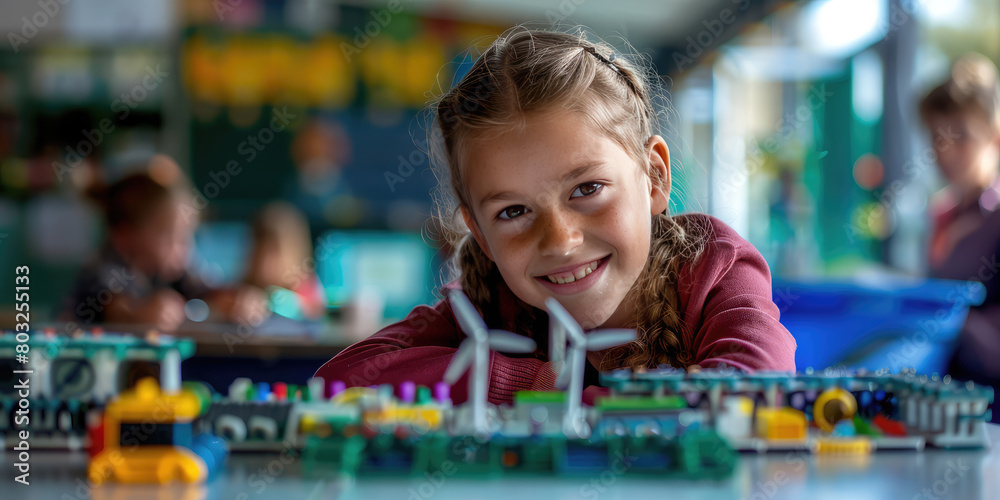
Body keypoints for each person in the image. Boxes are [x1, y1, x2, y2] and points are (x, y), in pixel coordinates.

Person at [315, 27, 796, 405]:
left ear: (654, 177)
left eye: (587, 189)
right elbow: (340, 380)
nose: (561, 240)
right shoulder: (490, 301)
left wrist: (552, 395)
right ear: (480, 234)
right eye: (514, 211)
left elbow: (752, 393)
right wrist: (543, 384)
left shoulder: (712, 265)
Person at [61, 156, 267, 332]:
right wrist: (140, 314)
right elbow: (115, 308)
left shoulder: (171, 270)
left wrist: (237, 300)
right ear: (124, 234)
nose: (184, 249)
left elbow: (208, 291)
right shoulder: (101, 269)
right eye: (171, 238)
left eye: (187, 237)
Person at [920, 53, 1000, 389]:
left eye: (962, 136)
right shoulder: (941, 215)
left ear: (995, 137)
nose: (946, 151)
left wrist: (943, 317)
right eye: (937, 137)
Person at [243, 202, 327, 320]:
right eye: (259, 251)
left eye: (274, 251)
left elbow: (317, 311)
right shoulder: (246, 286)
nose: (266, 261)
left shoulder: (306, 283)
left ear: (295, 250)